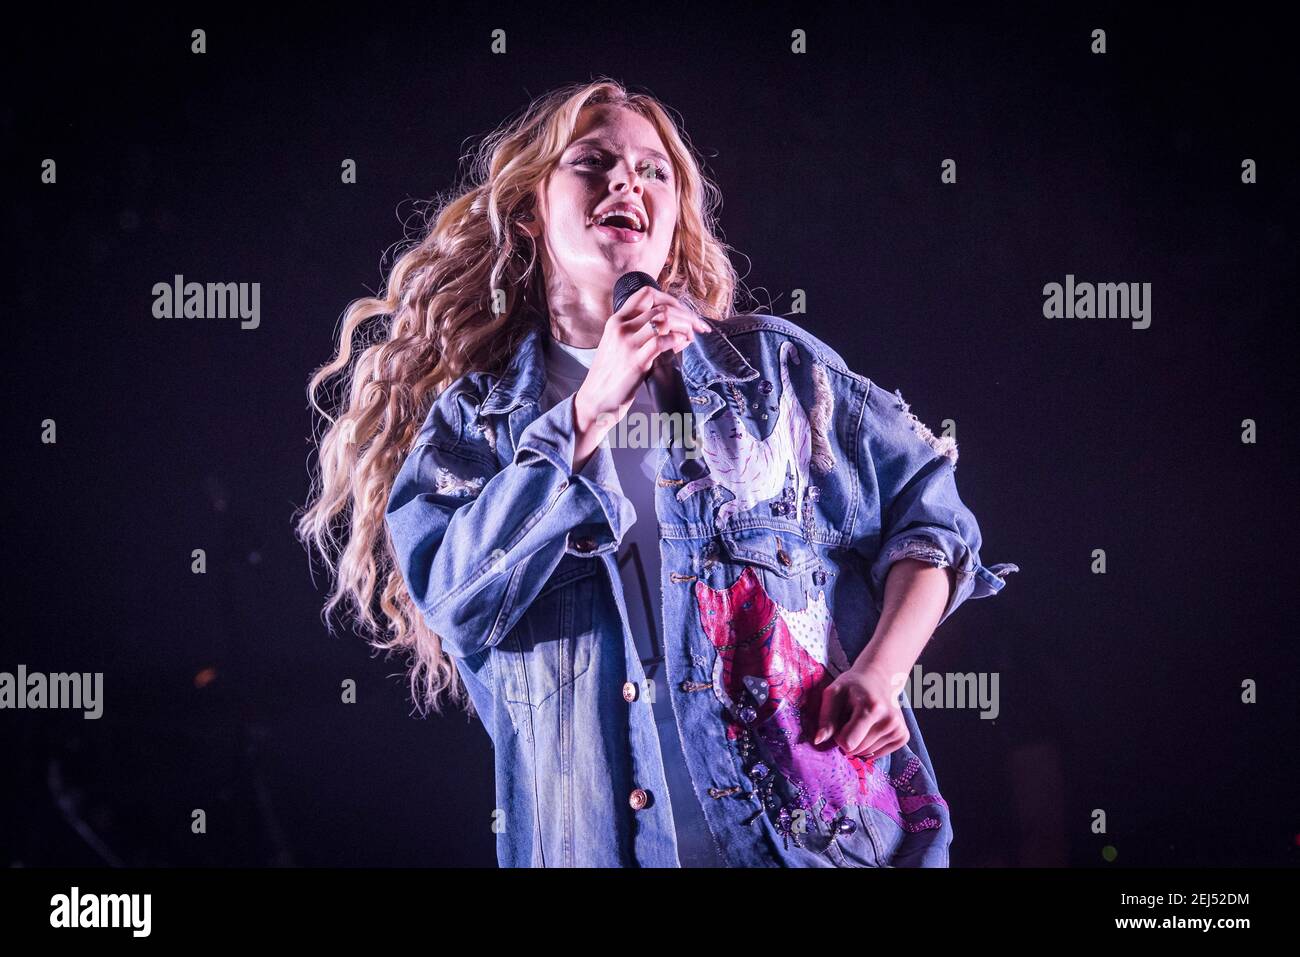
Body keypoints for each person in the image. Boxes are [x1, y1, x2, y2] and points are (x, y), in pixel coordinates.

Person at [296, 78, 1018, 868]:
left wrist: (881, 671)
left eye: (653, 171)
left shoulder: (770, 373)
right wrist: (587, 410)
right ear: (534, 213)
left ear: (672, 226)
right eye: (593, 162)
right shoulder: (478, 426)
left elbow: (934, 517)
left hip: (818, 849)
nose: (625, 182)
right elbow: (458, 597)